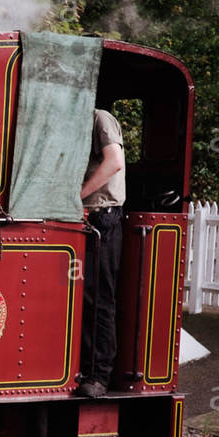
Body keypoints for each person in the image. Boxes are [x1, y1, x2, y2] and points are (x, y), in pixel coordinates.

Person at [77, 108, 125, 398]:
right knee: (81, 296)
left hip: (102, 217)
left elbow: (114, 162)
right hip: (81, 217)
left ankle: (99, 375)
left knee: (99, 298)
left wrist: (78, 194)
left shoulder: (100, 118)